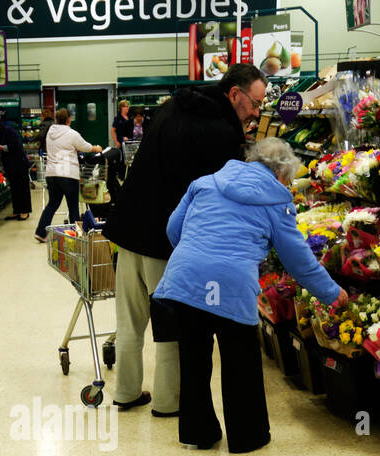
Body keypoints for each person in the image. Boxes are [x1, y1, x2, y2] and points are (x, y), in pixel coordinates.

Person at [153, 139, 348, 453]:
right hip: (231, 285)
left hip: (184, 279)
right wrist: (330, 292)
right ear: (281, 174)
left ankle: (197, 433)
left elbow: (173, 229)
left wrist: (198, 258)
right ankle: (247, 437)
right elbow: (297, 259)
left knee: (193, 359)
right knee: (240, 361)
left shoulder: (205, 182)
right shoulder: (276, 201)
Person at [103, 62, 268, 414]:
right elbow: (220, 197)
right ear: (234, 94)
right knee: (171, 326)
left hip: (128, 227)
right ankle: (167, 402)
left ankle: (126, 393)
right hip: (165, 239)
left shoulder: (173, 106)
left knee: (129, 321)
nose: (256, 113)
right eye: (254, 104)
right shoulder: (223, 133)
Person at [34, 108, 102, 243]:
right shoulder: (72, 134)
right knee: (73, 206)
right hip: (68, 174)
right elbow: (86, 147)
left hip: (52, 174)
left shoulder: (50, 133)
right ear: (68, 119)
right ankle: (77, 236)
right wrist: (96, 148)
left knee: (52, 204)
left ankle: (41, 232)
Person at [0, 112, 32, 222]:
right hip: (9, 165)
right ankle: (16, 211)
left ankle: (25, 211)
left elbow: (16, 146)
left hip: (19, 163)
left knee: (22, 188)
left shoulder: (9, 131)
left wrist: (2, 147)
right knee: (14, 189)